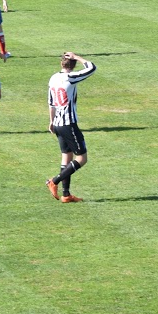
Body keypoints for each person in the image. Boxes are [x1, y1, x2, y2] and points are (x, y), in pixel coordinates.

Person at [45, 53, 97, 204]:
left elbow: (51, 102)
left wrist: (51, 121)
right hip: (69, 124)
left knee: (66, 157)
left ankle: (66, 195)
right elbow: (92, 68)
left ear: (61, 64)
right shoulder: (71, 77)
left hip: (57, 123)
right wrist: (78, 57)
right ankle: (54, 181)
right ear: (73, 66)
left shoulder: (53, 78)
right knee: (82, 158)